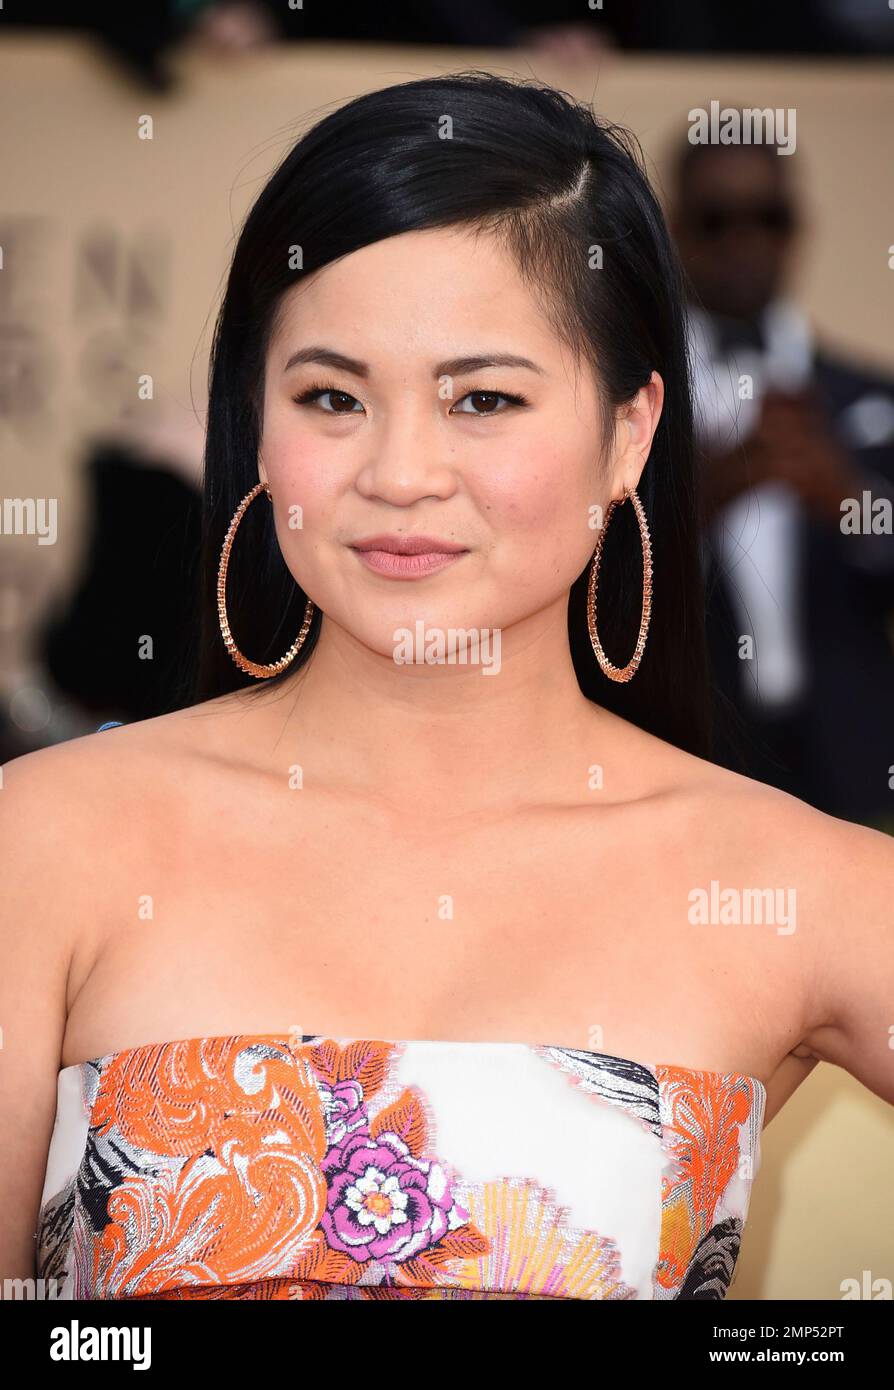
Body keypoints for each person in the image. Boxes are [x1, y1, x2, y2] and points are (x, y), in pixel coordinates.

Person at [2, 72, 891, 1302]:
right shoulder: (43, 840)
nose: (402, 471)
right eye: (331, 397)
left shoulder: (797, 887)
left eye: (483, 399)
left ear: (630, 432)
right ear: (254, 423)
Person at [670, 136, 894, 827]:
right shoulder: (638, 395)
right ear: (676, 229)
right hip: (691, 749)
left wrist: (850, 501)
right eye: (715, 220)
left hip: (849, 756)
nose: (743, 242)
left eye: (766, 218)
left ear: (797, 229)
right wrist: (700, 499)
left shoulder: (867, 395)